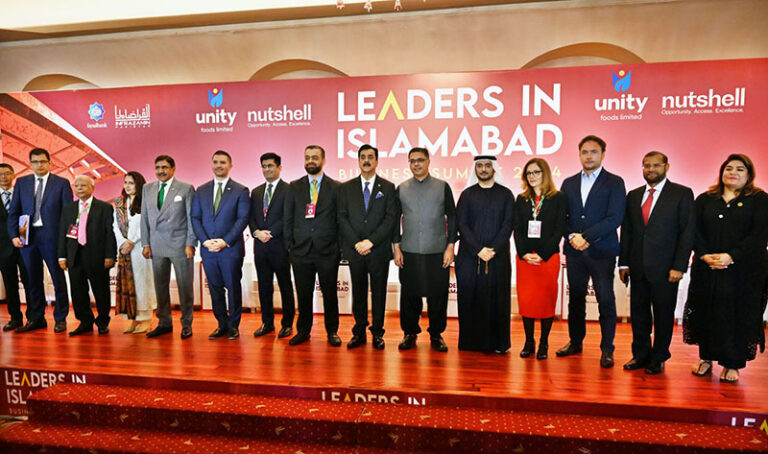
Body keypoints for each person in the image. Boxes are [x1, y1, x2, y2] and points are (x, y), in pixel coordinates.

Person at [683, 154, 768, 384]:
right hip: (707, 267)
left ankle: (732, 364)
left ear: (749, 174)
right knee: (706, 312)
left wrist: (731, 256)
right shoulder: (705, 199)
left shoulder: (759, 199)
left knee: (736, 315)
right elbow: (693, 231)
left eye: (740, 169)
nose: (733, 173)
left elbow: (759, 235)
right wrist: (704, 254)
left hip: (744, 270)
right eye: (729, 168)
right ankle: (706, 357)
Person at [619, 151, 695, 374]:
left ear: (666, 167)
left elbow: (687, 232)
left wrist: (679, 266)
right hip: (638, 268)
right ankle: (640, 355)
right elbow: (627, 232)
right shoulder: (633, 195)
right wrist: (623, 264)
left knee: (663, 316)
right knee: (639, 315)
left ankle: (659, 356)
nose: (651, 169)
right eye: (646, 165)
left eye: (656, 165)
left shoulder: (681, 193)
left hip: (667, 270)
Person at [558, 135, 626, 368]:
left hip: (602, 252)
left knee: (605, 299)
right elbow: (561, 217)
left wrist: (585, 237)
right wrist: (571, 236)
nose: (589, 156)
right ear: (579, 154)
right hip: (574, 252)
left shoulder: (614, 182)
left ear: (603, 154)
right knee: (575, 299)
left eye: (594, 152)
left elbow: (615, 218)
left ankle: (607, 349)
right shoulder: (568, 183)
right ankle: (575, 342)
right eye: (585, 152)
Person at [393, 147, 457, 352]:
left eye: (420, 160)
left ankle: (436, 334)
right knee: (409, 295)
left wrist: (450, 246)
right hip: (409, 250)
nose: (416, 164)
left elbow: (452, 218)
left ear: (428, 161)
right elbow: (394, 220)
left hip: (437, 251)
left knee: (438, 295)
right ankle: (409, 333)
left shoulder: (442, 186)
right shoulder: (401, 188)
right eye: (412, 161)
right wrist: (396, 247)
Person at [338, 144, 397, 350]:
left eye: (370, 157)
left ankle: (378, 333)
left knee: (379, 293)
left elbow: (390, 218)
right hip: (355, 250)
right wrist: (356, 243)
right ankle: (359, 332)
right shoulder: (346, 188)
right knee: (359, 292)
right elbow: (342, 217)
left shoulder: (388, 187)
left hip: (378, 250)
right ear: (358, 160)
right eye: (362, 157)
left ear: (377, 161)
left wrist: (371, 241)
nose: (366, 160)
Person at [7, 148, 73, 333]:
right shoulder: (22, 182)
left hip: (52, 237)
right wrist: (14, 235)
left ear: (50, 163)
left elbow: (68, 214)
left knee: (57, 279)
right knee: (32, 280)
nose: (39, 165)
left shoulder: (61, 183)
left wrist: (65, 240)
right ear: (30, 163)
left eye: (43, 161)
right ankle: (37, 318)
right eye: (35, 162)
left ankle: (60, 318)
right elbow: (14, 212)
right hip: (27, 238)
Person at [283, 145, 342, 346]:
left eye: (315, 157)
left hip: (328, 251)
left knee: (330, 294)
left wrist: (339, 248)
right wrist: (290, 245)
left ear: (323, 160)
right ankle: (303, 331)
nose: (310, 161)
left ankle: (332, 331)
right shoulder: (294, 186)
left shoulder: (336, 187)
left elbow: (340, 219)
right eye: (307, 157)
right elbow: (288, 217)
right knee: (303, 294)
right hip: (301, 252)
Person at [456, 156, 514, 353]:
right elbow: (461, 224)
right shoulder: (466, 195)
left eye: (487, 165)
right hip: (470, 257)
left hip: (498, 258)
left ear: (494, 168)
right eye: (479, 166)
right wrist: (478, 249)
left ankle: (498, 344)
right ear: (475, 169)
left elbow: (508, 224)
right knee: (470, 299)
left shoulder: (506, 194)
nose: (483, 169)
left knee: (497, 300)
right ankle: (471, 343)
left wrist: (493, 249)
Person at [191, 150, 250, 340]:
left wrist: (225, 241)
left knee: (233, 288)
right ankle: (221, 324)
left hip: (230, 249)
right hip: (208, 249)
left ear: (230, 165)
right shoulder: (201, 190)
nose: (219, 165)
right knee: (215, 289)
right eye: (215, 162)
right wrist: (205, 241)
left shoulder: (241, 190)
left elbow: (242, 219)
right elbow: (195, 217)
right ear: (211, 164)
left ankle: (233, 326)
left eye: (223, 162)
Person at [513, 158, 567, 360]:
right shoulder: (521, 199)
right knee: (527, 301)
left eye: (536, 172)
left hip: (548, 258)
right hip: (525, 259)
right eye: (529, 173)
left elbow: (559, 229)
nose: (532, 176)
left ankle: (544, 342)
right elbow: (517, 228)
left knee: (546, 301)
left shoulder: (558, 197)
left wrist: (542, 254)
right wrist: (523, 253)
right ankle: (529, 341)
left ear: (545, 173)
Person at [141, 155, 197, 340]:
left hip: (180, 245)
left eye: (164, 167)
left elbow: (191, 218)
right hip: (156, 246)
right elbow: (144, 218)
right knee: (160, 286)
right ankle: (164, 323)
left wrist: (190, 243)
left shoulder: (185, 188)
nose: (161, 171)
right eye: (157, 167)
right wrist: (146, 243)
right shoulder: (147, 188)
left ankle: (187, 324)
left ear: (173, 169)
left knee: (185, 287)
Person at [57, 175, 116, 336]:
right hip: (74, 256)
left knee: (101, 291)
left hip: (97, 256)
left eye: (83, 185)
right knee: (78, 292)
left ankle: (102, 322)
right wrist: (62, 256)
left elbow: (110, 233)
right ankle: (85, 322)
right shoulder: (68, 208)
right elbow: (62, 233)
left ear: (92, 188)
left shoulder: (104, 207)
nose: (79, 189)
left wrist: (110, 255)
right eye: (76, 186)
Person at [250, 152, 295, 339]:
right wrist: (256, 232)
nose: (267, 169)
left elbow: (288, 217)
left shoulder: (289, 189)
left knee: (285, 286)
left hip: (280, 246)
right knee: (264, 286)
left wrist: (270, 233)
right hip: (260, 247)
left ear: (279, 167)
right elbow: (251, 216)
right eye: (264, 166)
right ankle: (267, 323)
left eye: (270, 166)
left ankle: (287, 324)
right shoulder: (256, 191)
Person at [114, 171, 157, 334]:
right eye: (125, 182)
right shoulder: (119, 203)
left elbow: (148, 224)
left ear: (139, 184)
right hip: (124, 250)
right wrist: (123, 242)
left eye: (131, 183)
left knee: (142, 284)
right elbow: (114, 226)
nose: (127, 186)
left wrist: (132, 241)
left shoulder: (147, 202)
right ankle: (132, 318)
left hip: (141, 248)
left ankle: (146, 319)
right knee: (128, 285)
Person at [0, 164, 31, 331]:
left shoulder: (23, 194)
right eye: (0, 174)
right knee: (10, 284)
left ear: (13, 175)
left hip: (25, 245)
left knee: (30, 281)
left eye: (7, 173)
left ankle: (34, 317)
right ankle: (15, 318)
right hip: (3, 248)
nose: (4, 177)